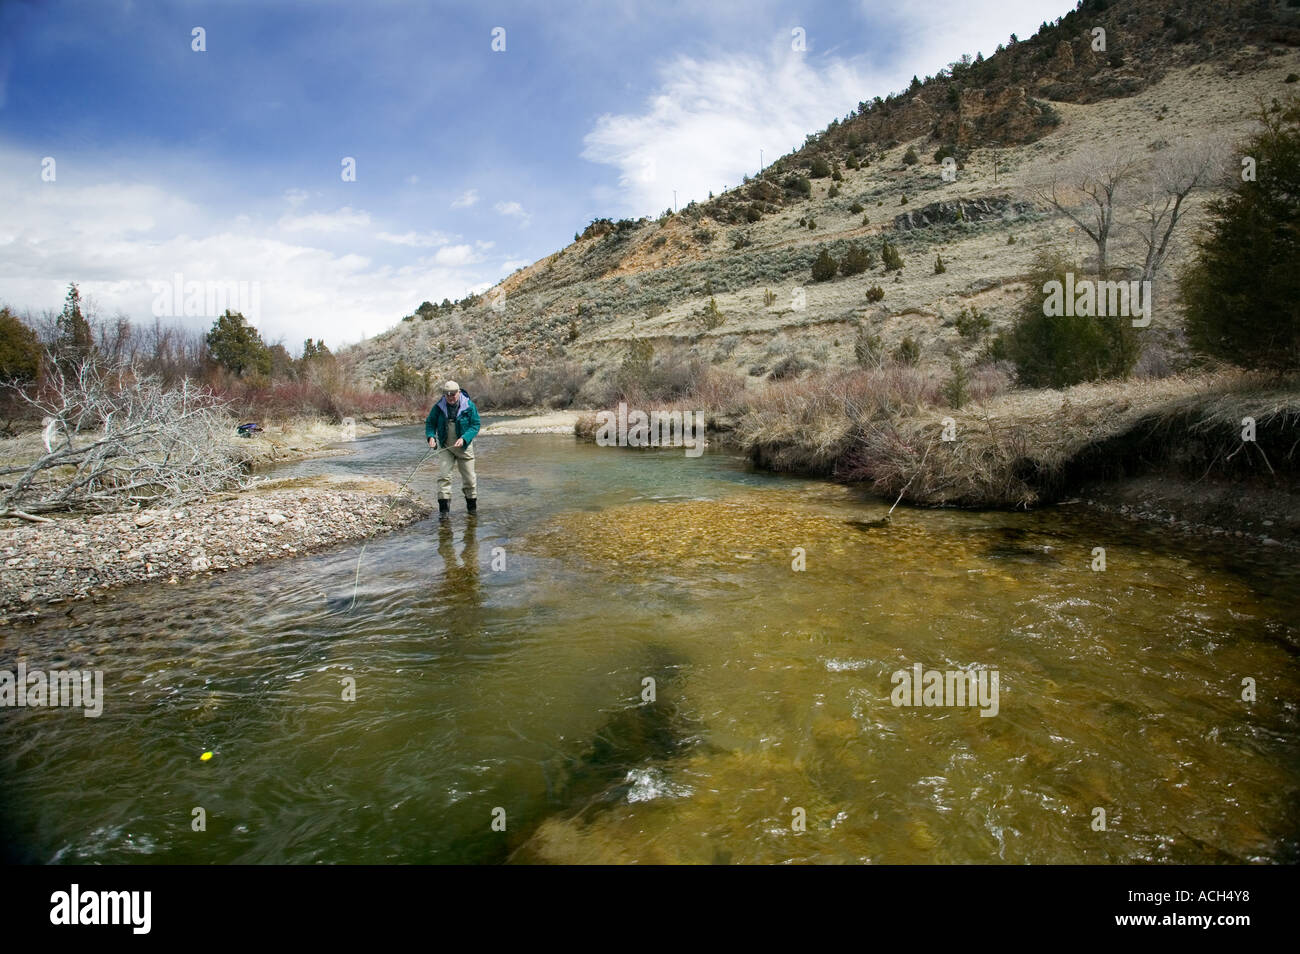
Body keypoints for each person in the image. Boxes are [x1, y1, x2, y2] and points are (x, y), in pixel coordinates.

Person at [425, 380, 481, 516]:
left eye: (453, 394)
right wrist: (431, 437)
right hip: (446, 447)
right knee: (444, 477)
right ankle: (444, 515)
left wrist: (464, 438)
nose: (450, 397)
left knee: (469, 480)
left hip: (464, 446)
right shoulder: (438, 407)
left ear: (459, 392)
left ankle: (472, 512)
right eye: (447, 395)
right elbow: (430, 424)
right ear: (444, 394)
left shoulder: (469, 406)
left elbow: (475, 425)